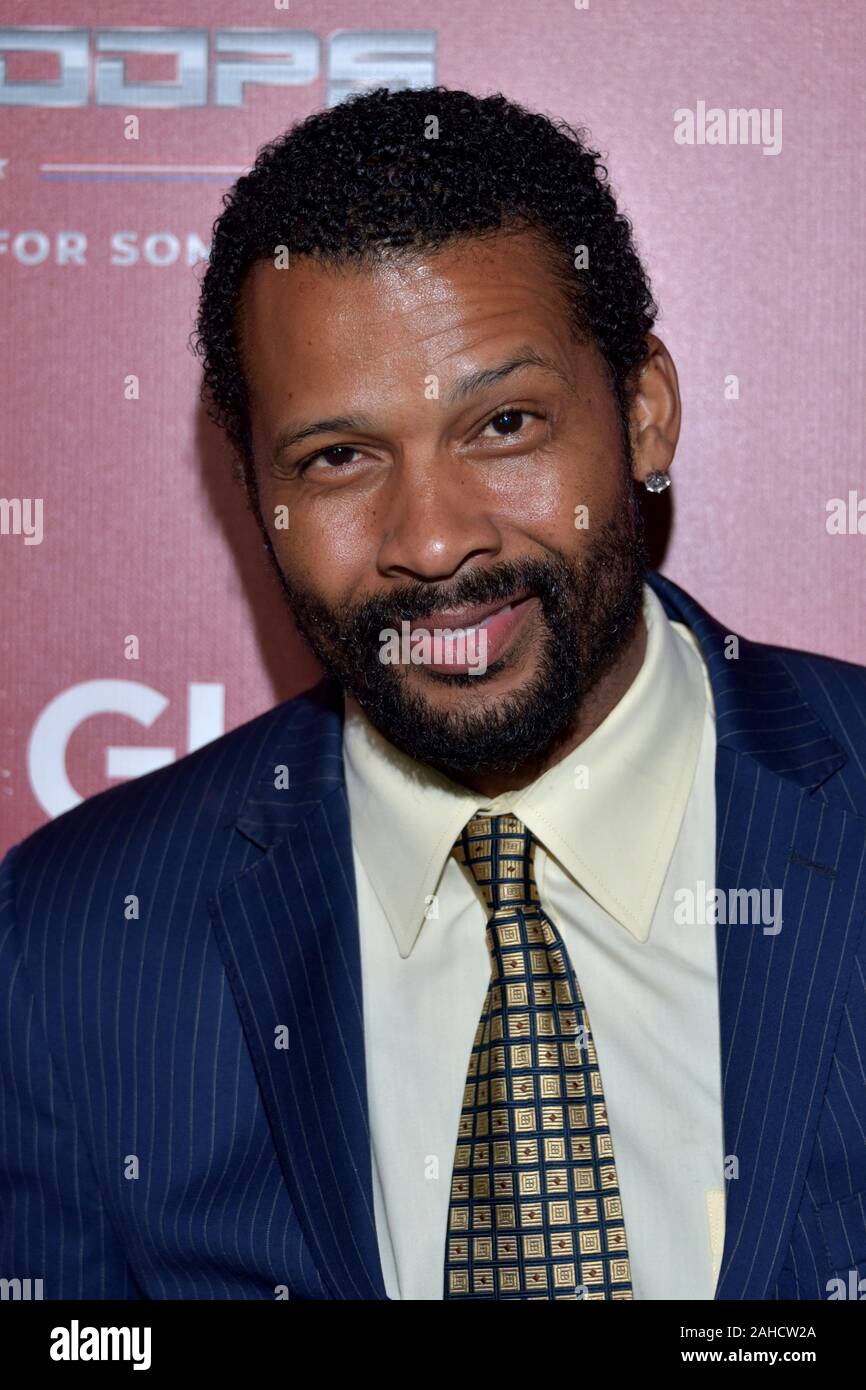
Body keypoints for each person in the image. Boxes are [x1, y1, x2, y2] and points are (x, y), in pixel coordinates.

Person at [2, 85, 865, 1302]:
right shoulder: (72, 953)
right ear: (255, 489)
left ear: (643, 413)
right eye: (339, 458)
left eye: (502, 423)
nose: (432, 539)